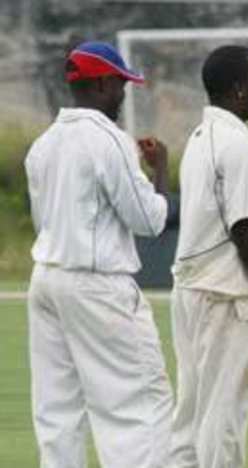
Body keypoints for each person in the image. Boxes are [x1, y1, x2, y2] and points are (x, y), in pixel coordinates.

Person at [25, 41, 172, 468]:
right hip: (97, 285)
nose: (124, 94)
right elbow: (149, 219)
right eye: (122, 84)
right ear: (104, 83)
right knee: (139, 406)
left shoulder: (44, 144)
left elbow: (43, 222)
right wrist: (160, 170)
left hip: (47, 278)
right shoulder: (111, 139)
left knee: (57, 411)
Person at [167, 45, 248, 468]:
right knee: (223, 411)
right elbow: (243, 228)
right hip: (225, 295)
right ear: (237, 89)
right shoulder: (237, 142)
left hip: (191, 289)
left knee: (192, 410)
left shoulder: (199, 137)